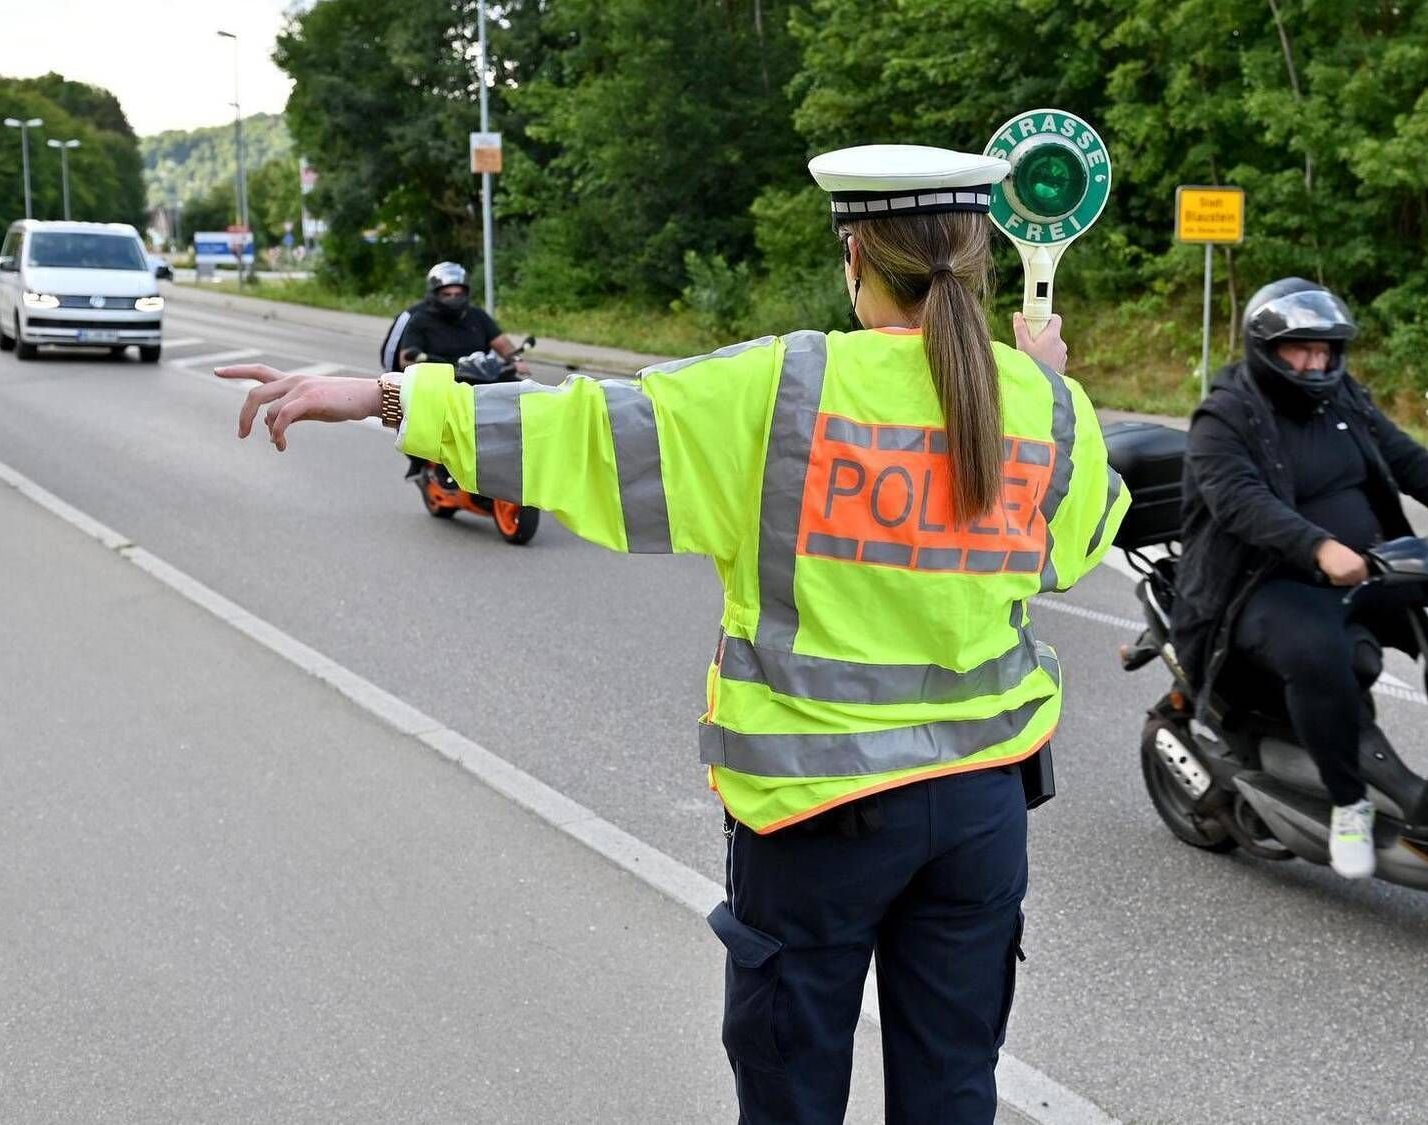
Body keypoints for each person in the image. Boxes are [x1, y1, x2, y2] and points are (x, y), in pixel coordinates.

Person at [216, 143, 1127, 1124]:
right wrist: (1047, 385)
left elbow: (578, 431)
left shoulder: (784, 387)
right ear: (978, 256)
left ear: (853, 252)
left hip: (817, 815)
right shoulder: (1034, 400)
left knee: (792, 1090)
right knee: (953, 1087)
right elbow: (1069, 551)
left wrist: (384, 394)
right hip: (980, 810)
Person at [1169, 278, 1428, 879]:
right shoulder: (1226, 416)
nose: (1317, 362)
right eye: (1303, 349)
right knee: (1317, 653)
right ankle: (1350, 803)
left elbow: (1404, 458)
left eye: (1327, 350)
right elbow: (1238, 499)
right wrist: (1317, 546)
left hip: (1368, 566)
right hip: (1263, 584)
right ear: (1266, 348)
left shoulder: (1344, 399)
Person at [380, 261, 516, 372]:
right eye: (447, 295)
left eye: (458, 295)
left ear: (466, 293)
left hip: (479, 381)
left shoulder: (478, 315)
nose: (453, 299)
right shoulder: (416, 318)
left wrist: (516, 360)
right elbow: (404, 359)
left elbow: (502, 344)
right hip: (436, 384)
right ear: (434, 294)